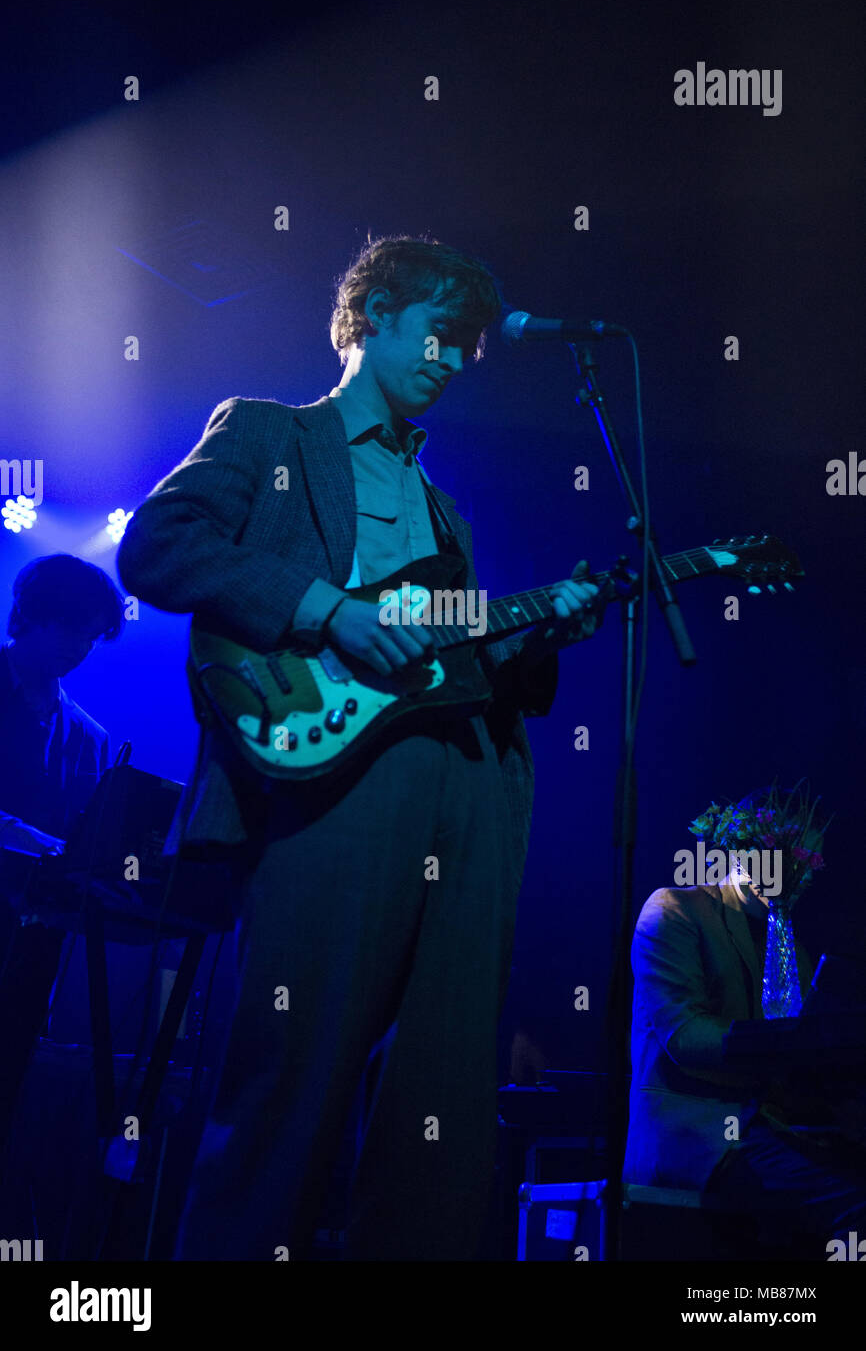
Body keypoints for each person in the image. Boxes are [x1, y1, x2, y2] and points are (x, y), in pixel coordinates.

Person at [117, 233, 603, 1260]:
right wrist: (324, 608)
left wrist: (534, 639)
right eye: (440, 326)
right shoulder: (265, 434)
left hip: (468, 788)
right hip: (327, 790)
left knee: (443, 1085)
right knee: (289, 1070)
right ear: (372, 312)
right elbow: (156, 547)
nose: (456, 354)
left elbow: (452, 670)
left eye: (469, 342)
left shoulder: (445, 511)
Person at [626, 787, 866, 1258]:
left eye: (794, 865)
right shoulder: (673, 908)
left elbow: (794, 1066)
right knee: (855, 1208)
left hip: (762, 1130)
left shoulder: (789, 949)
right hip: (697, 1135)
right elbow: (684, 1037)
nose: (777, 875)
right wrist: (786, 1046)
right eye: (763, 860)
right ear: (733, 853)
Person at [0, 553, 124, 1154]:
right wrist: (35, 841)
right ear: (32, 614)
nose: (81, 646)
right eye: (71, 626)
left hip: (31, 943)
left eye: (92, 635)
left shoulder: (92, 737)